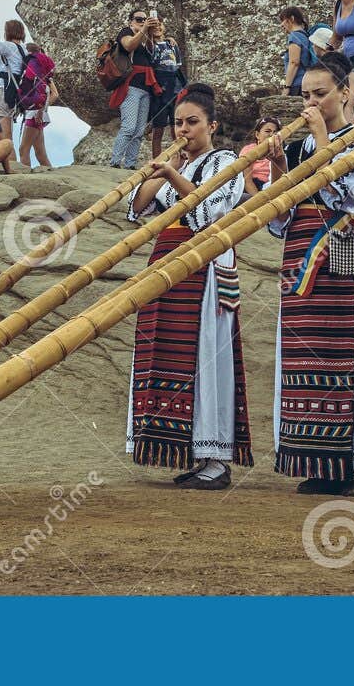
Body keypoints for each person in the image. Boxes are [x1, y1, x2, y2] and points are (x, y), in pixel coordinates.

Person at [261, 51, 354, 496]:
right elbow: (278, 215)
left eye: (320, 94)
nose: (310, 103)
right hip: (300, 253)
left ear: (345, 93)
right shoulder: (299, 147)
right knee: (304, 355)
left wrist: (323, 136)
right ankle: (318, 461)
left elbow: (344, 194)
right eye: (305, 95)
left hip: (343, 251)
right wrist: (279, 165)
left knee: (349, 353)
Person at [126, 83, 253, 490]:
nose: (184, 130)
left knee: (206, 352)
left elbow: (210, 210)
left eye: (192, 122)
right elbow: (138, 207)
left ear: (211, 126)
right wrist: (163, 167)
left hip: (204, 261)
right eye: (178, 123)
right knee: (164, 349)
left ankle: (216, 459)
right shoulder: (176, 163)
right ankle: (187, 450)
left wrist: (174, 175)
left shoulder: (227, 162)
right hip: (166, 261)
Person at [109, 8, 162, 168]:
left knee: (139, 131)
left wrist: (154, 34)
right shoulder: (126, 32)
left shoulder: (146, 38)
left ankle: (130, 164)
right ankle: (115, 162)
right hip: (130, 87)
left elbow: (155, 53)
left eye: (145, 19)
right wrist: (144, 29)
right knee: (129, 127)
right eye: (139, 19)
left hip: (146, 89)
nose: (142, 22)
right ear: (130, 22)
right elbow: (128, 45)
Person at [15, 45, 60, 169]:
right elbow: (55, 94)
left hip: (34, 114)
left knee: (23, 149)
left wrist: (40, 110)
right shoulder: (45, 75)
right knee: (40, 153)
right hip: (38, 113)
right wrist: (43, 109)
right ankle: (53, 176)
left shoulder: (33, 72)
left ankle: (25, 177)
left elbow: (47, 94)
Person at [146, 25, 186, 159]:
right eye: (153, 26)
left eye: (159, 25)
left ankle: (179, 159)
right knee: (158, 128)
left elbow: (177, 65)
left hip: (175, 88)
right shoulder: (150, 45)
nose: (157, 28)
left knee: (176, 127)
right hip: (160, 90)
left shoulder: (171, 44)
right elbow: (150, 53)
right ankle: (156, 161)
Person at [0, 20, 30, 119]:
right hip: (12, 92)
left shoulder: (9, 46)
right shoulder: (24, 49)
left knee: (0, 125)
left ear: (8, 32)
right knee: (6, 122)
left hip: (2, 89)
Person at [279, 6, 315, 95]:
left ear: (291, 18)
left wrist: (287, 87)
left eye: (283, 20)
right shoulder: (305, 35)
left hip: (297, 85)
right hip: (306, 82)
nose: (281, 25)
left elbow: (294, 62)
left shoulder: (294, 36)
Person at [240, 117, 280, 196]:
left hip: (274, 188)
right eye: (267, 131)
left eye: (275, 132)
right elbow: (247, 181)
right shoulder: (249, 150)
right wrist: (260, 199)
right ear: (257, 134)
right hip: (255, 189)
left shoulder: (281, 152)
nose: (272, 135)